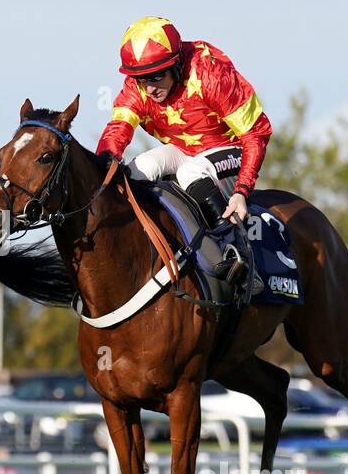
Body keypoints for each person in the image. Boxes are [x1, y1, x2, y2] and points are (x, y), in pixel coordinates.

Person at [96, 15, 272, 288]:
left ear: (177, 65)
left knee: (193, 170)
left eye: (157, 76)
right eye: (142, 79)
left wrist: (241, 191)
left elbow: (255, 133)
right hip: (184, 149)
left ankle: (236, 252)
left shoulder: (210, 74)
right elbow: (118, 129)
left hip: (233, 147)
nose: (150, 88)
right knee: (135, 170)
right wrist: (105, 163)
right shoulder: (139, 86)